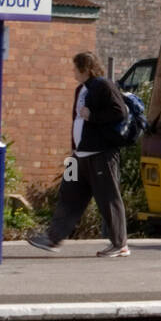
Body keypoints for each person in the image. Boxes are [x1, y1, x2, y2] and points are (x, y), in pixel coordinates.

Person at [26, 51, 131, 257]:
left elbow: (120, 112)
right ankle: (53, 239)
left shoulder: (103, 86)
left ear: (85, 69)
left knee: (108, 198)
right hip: (78, 156)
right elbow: (77, 122)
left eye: (75, 68)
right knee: (68, 195)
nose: (73, 72)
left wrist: (93, 116)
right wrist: (74, 148)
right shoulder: (80, 90)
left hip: (101, 154)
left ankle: (120, 245)